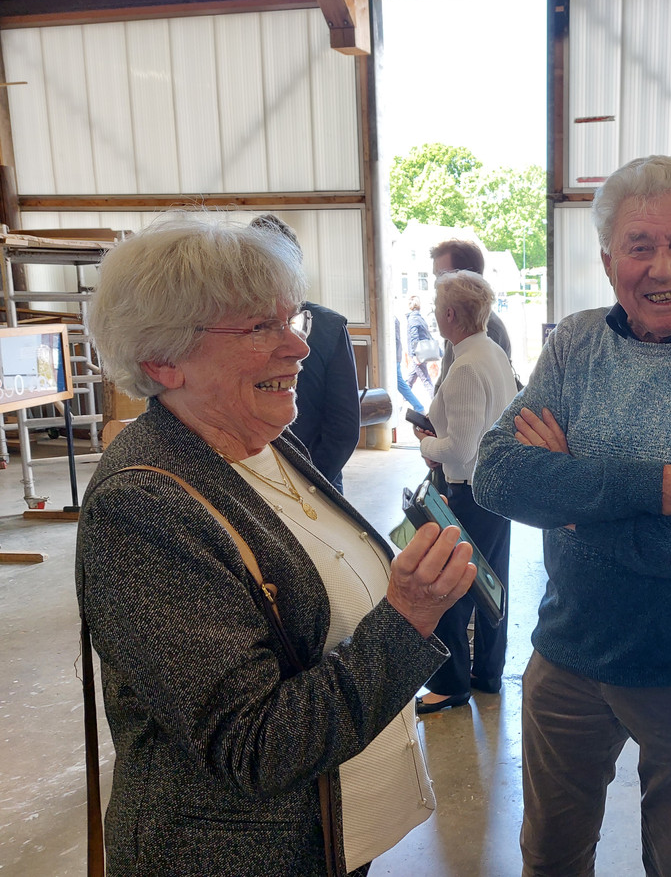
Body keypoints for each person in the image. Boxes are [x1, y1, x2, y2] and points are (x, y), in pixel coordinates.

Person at [77, 217, 477, 876]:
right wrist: (407, 618)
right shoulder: (142, 507)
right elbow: (256, 745)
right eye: (260, 327)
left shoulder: (267, 439)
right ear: (162, 360)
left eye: (293, 319)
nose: (298, 345)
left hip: (335, 837)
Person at [473, 154, 671, 877]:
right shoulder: (574, 344)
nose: (662, 269)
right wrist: (654, 488)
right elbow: (494, 475)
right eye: (639, 246)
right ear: (607, 260)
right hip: (568, 656)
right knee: (550, 856)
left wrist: (569, 503)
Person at [410, 269, 518, 714]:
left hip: (468, 492)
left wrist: (426, 446)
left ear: (450, 315)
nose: (434, 314)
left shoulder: (465, 368)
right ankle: (487, 673)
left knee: (449, 586)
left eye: (437, 308)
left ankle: (451, 683)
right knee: (492, 584)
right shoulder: (491, 352)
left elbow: (460, 449)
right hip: (495, 490)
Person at [249, 214, 360, 492]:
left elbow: (343, 428)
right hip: (278, 478)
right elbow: (344, 428)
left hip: (309, 478)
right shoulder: (229, 326)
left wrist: (309, 482)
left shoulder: (329, 327)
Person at [428, 238, 513, 392]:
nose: (437, 284)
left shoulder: (487, 329)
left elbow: (468, 393)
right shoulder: (457, 322)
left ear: (467, 279)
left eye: (442, 276)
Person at [404, 295, 438, 404]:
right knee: (410, 380)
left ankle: (436, 403)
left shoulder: (412, 319)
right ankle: (402, 402)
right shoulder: (420, 318)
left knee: (426, 380)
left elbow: (414, 337)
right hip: (422, 353)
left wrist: (415, 355)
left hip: (418, 355)